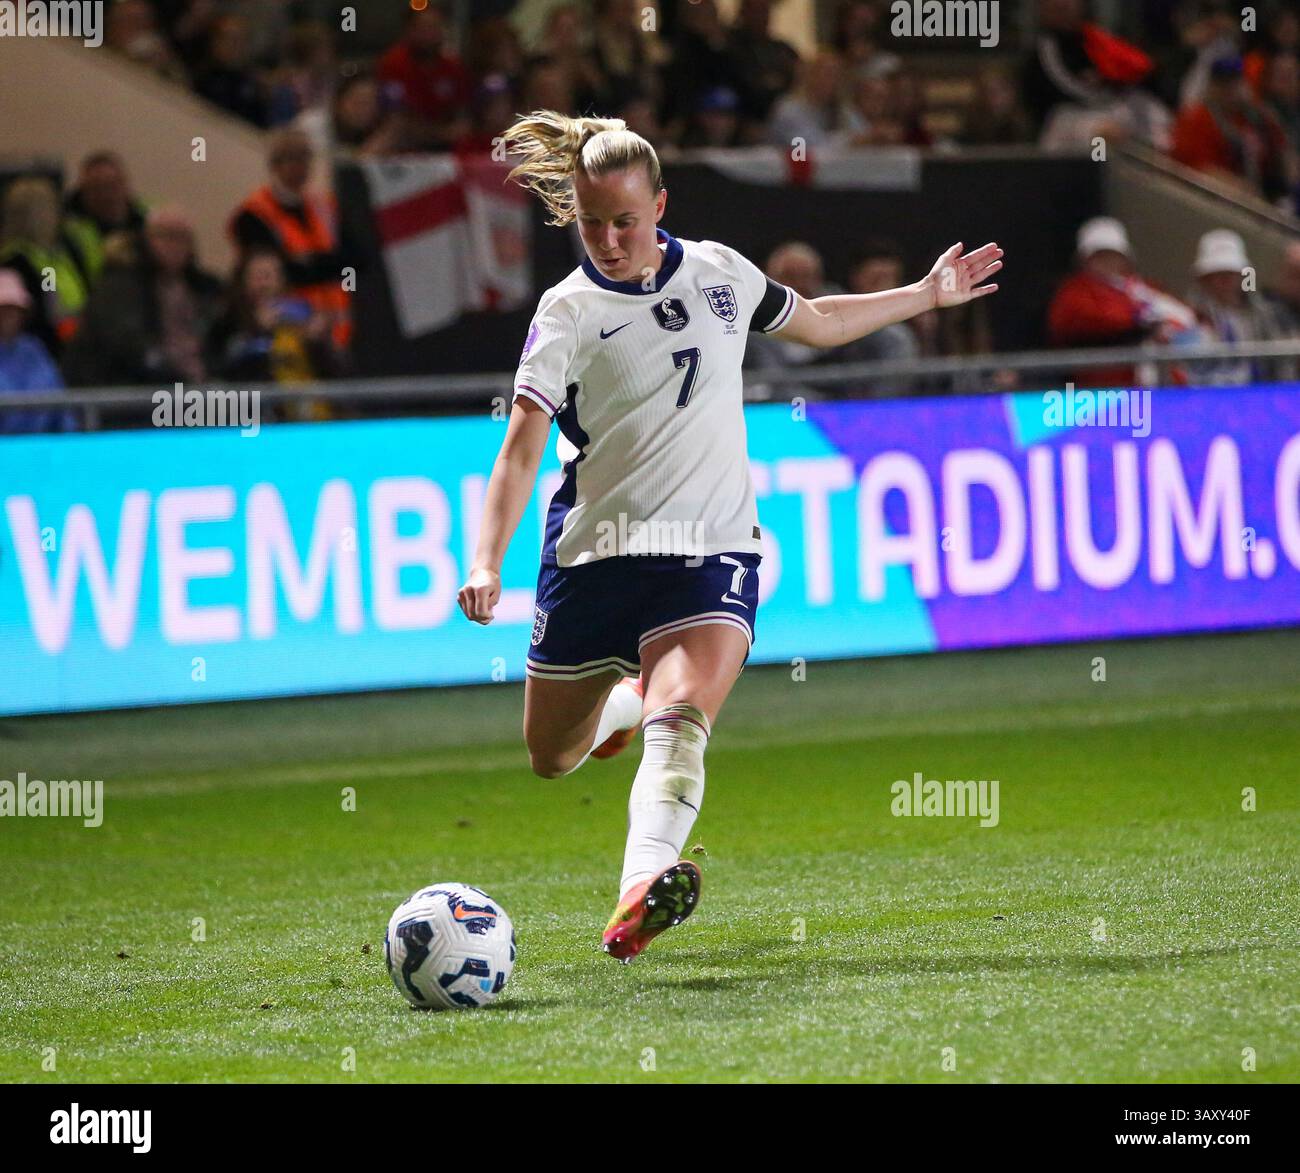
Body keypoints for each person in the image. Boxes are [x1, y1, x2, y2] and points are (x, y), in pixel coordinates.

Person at [456, 110, 1002, 962]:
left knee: (685, 716)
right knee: (552, 756)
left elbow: (817, 319)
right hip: (593, 558)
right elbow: (522, 446)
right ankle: (627, 700)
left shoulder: (717, 273)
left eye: (625, 220)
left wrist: (925, 295)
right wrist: (486, 558)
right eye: (592, 222)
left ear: (660, 203)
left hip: (709, 552)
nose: (607, 238)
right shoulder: (566, 312)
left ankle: (642, 882)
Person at [229, 129, 352, 349]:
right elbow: (281, 269)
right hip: (286, 325)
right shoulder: (254, 214)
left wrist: (309, 261)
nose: (301, 166)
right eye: (292, 158)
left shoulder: (324, 206)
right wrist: (325, 263)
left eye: (305, 157)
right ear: (275, 164)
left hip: (336, 323)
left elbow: (354, 258)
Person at [1047, 216, 1202, 387]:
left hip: (1158, 386)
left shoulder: (1144, 289)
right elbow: (1079, 322)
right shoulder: (1075, 291)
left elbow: (1187, 317)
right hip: (1103, 392)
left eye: (1113, 255)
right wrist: (1142, 326)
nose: (1108, 262)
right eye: (1100, 256)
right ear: (1084, 259)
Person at [0, 267, 76, 434]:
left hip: (41, 447)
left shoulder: (34, 349)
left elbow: (60, 404)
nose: (8, 316)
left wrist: (69, 442)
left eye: (13, 309)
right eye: (3, 309)